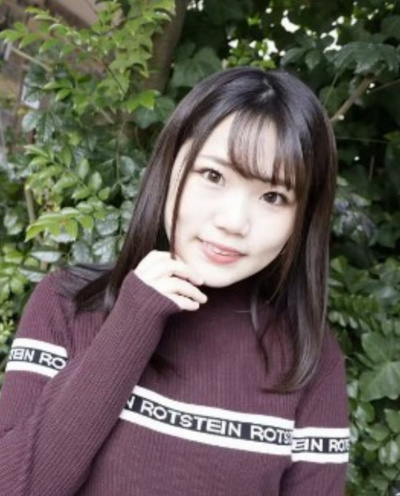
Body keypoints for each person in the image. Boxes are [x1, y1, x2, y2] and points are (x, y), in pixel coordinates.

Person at [0, 66, 349, 495]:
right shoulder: (67, 303)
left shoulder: (308, 358)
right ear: (169, 167)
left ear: (303, 217)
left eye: (274, 197)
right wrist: (132, 323)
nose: (233, 222)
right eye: (213, 176)